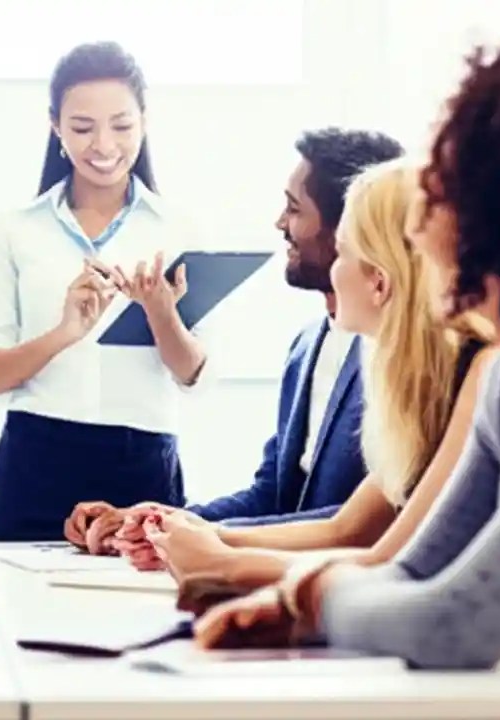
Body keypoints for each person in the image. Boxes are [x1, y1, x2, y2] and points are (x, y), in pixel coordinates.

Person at [193, 28, 500, 676]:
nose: (412, 224)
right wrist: (298, 604)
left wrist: (314, 597)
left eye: (439, 187)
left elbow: (459, 625)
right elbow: (412, 572)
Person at [136, 160, 495, 585]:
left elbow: (389, 561)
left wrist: (221, 563)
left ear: (379, 282)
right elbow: (346, 528)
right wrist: (189, 533)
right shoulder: (413, 381)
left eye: (341, 252)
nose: (333, 269)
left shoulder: (481, 372)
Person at [68, 128, 403, 553]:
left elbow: (358, 521)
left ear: (347, 229)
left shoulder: (404, 355)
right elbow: (272, 496)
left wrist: (192, 536)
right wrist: (157, 519)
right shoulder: (306, 346)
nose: (280, 224)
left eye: (294, 209)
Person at [0, 41, 210, 541]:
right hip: (35, 462)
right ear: (55, 126)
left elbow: (193, 373)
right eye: (83, 127)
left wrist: (162, 314)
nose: (104, 145)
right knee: (21, 613)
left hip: (142, 466)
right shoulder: (15, 230)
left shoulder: (178, 229)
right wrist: (64, 332)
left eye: (121, 125)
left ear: (144, 120)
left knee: (146, 617)